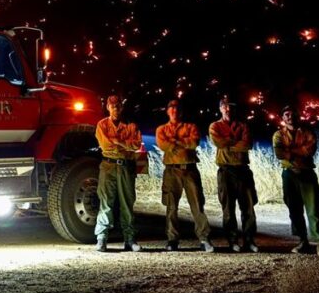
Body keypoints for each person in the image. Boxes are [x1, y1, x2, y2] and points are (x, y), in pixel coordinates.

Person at [273, 105, 319, 259]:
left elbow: (309, 150)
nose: (290, 116)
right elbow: (280, 153)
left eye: (293, 114)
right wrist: (299, 151)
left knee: (314, 208)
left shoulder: (307, 132)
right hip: (289, 175)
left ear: (298, 116)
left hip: (307, 173)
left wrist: (290, 151)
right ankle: (303, 241)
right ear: (283, 118)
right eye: (286, 114)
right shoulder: (278, 135)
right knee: (294, 209)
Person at [156, 100, 214, 252]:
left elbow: (194, 142)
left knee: (197, 205)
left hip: (190, 169)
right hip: (171, 170)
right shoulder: (161, 129)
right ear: (167, 111)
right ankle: (172, 240)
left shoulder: (191, 126)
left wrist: (174, 142)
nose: (174, 110)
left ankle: (204, 238)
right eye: (171, 108)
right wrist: (182, 142)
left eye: (177, 108)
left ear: (181, 111)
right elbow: (164, 145)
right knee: (171, 206)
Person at [94, 95, 145, 252]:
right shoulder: (102, 124)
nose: (115, 108)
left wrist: (119, 142)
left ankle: (130, 239)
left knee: (127, 203)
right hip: (108, 166)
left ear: (122, 107)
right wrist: (124, 145)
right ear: (108, 107)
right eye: (112, 105)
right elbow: (106, 144)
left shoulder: (131, 125)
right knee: (105, 203)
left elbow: (136, 144)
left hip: (125, 167)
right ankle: (101, 238)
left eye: (118, 106)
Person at [209, 96, 258, 252]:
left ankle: (249, 239)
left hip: (243, 170)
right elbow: (219, 143)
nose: (228, 109)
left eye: (230, 106)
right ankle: (232, 240)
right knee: (228, 208)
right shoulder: (215, 126)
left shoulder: (243, 125)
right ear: (220, 108)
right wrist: (236, 141)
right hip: (225, 170)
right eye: (225, 106)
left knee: (248, 207)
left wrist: (229, 142)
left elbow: (247, 144)